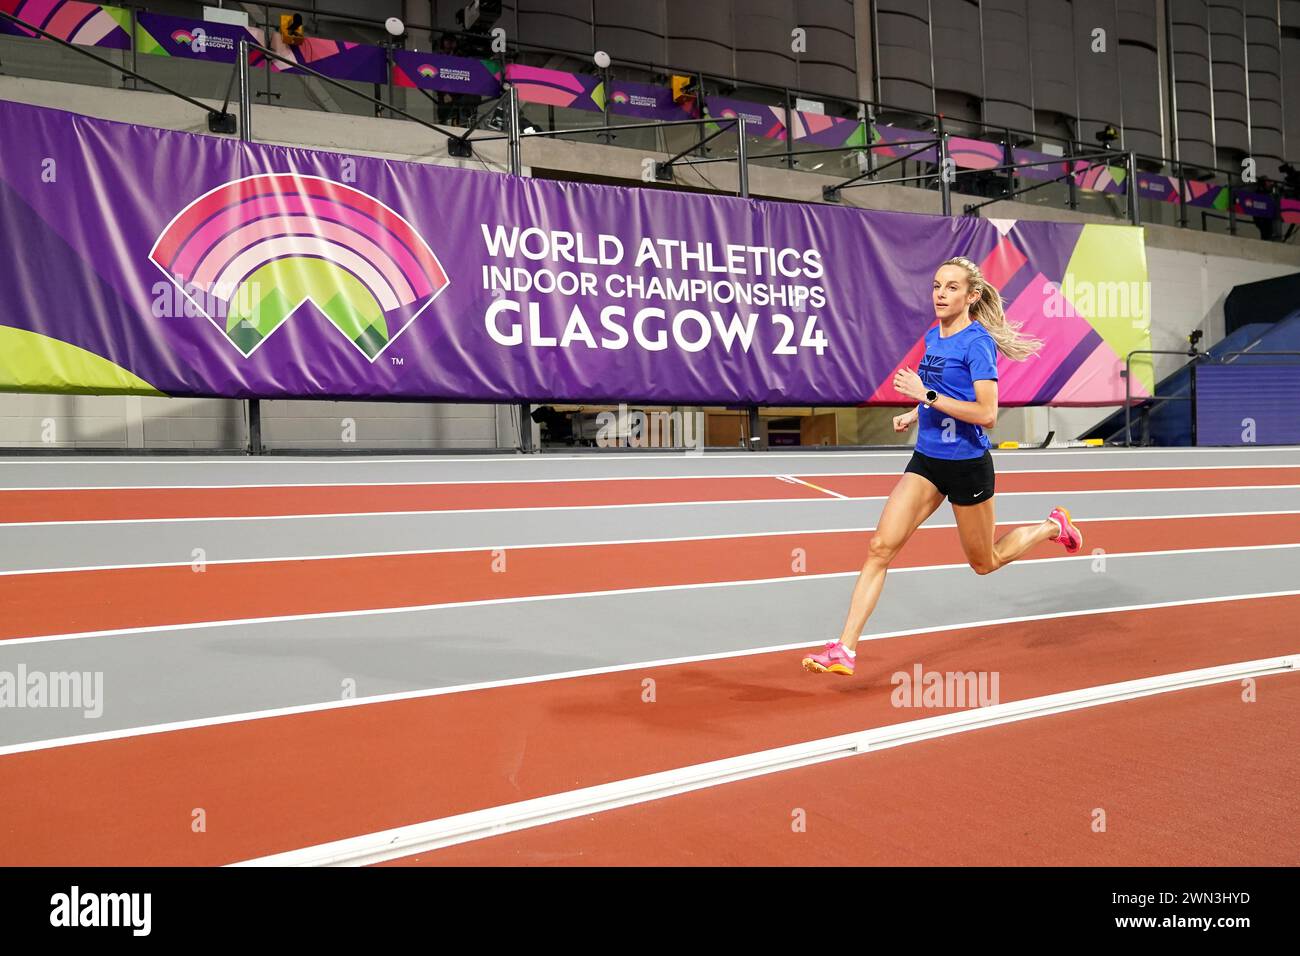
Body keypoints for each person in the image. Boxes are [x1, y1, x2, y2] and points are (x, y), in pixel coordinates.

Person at [802, 255, 1083, 676]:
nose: (940, 293)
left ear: (971, 296)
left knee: (984, 562)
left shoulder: (978, 344)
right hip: (927, 461)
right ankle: (846, 649)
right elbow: (940, 389)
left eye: (951, 287)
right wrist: (916, 413)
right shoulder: (934, 336)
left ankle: (1051, 526)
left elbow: (987, 413)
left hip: (967, 465)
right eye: (937, 285)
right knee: (880, 548)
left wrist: (925, 396)